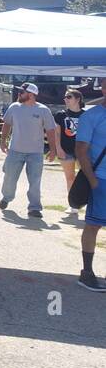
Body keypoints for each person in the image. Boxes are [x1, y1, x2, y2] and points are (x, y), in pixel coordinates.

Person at [0, 82, 59, 219]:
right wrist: (3, 141)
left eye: (22, 92)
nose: (19, 94)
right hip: (15, 150)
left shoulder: (43, 110)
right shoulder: (14, 107)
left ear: (31, 95)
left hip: (35, 153)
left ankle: (34, 207)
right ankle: (6, 198)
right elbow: (7, 124)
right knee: (9, 177)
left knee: (35, 181)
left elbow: (50, 130)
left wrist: (53, 149)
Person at [72, 92, 106, 291]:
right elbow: (81, 150)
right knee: (93, 225)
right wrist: (92, 180)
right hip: (101, 178)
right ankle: (87, 272)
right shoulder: (91, 116)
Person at [56, 89, 86, 202]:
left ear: (78, 99)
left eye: (69, 97)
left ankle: (85, 201)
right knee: (70, 178)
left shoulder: (86, 115)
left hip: (82, 151)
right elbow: (57, 133)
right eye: (65, 97)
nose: (65, 99)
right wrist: (58, 148)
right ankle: (73, 204)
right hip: (66, 150)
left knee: (85, 177)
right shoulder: (60, 115)